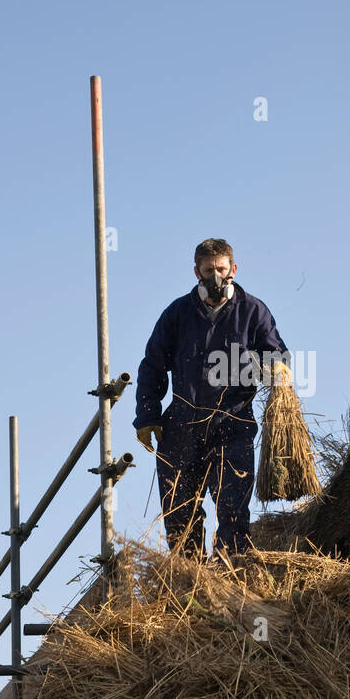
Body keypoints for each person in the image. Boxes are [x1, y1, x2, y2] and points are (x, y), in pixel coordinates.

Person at [133, 238, 290, 559]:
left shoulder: (253, 311)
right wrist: (147, 414)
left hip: (233, 426)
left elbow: (276, 356)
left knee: (233, 513)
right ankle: (189, 585)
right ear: (196, 273)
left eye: (221, 269)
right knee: (180, 517)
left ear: (233, 269)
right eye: (208, 270)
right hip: (181, 427)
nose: (215, 276)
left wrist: (272, 369)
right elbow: (152, 365)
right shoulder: (177, 314)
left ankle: (231, 580)